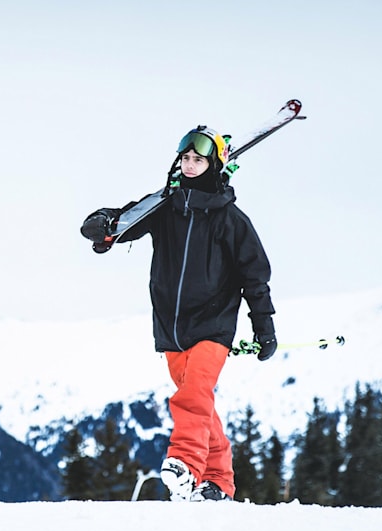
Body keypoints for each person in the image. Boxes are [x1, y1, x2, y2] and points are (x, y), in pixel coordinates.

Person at [79, 125, 277, 502]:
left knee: (193, 397)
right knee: (199, 401)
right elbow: (125, 223)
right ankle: (218, 481)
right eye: (185, 158)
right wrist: (103, 227)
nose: (189, 165)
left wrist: (263, 327)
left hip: (213, 325)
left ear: (213, 164)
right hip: (171, 328)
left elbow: (256, 279)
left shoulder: (231, 221)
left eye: (198, 159)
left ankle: (184, 464)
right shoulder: (164, 206)